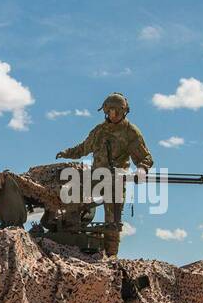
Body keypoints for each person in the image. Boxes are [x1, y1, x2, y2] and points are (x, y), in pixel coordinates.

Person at [55, 93, 154, 257]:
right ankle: (71, 244)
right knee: (72, 197)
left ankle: (111, 258)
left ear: (124, 112)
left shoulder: (131, 133)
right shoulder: (99, 131)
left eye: (116, 112)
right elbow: (83, 148)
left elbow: (145, 157)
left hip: (115, 180)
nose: (112, 115)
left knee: (112, 223)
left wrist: (141, 169)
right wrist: (67, 153)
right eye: (110, 111)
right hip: (95, 178)